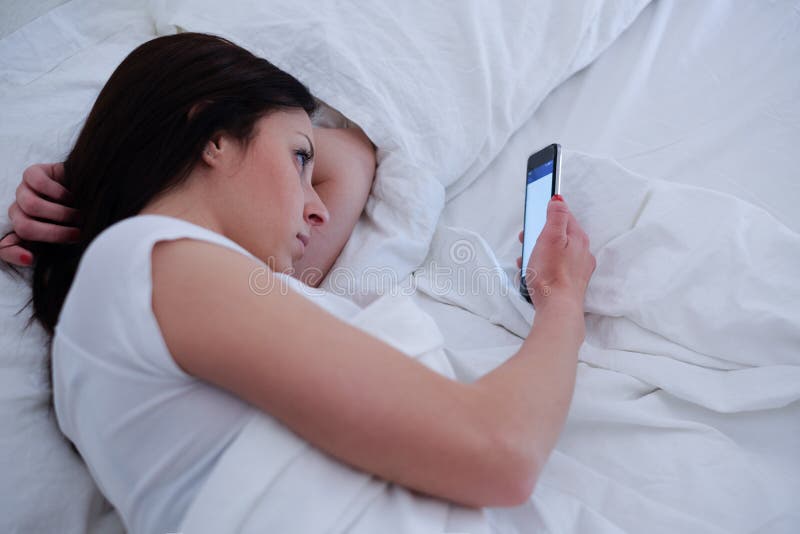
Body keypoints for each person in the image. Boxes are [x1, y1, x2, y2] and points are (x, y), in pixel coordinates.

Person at [1, 33, 595, 534]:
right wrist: (561, 300)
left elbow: (352, 160)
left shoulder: (180, 288)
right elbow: (500, 451)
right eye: (300, 159)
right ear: (211, 135)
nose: (319, 208)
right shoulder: (148, 261)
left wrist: (112, 170)